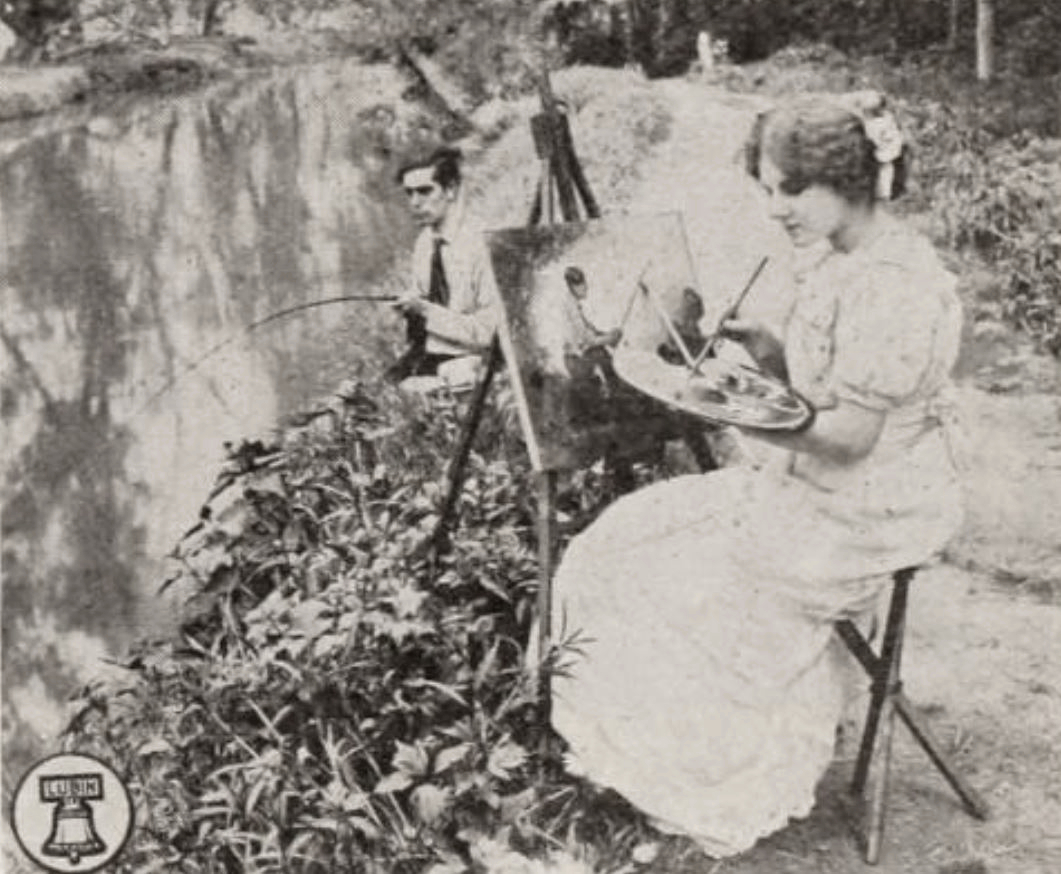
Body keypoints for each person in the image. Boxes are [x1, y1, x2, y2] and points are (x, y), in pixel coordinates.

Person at [550, 92, 965, 857]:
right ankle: (651, 752)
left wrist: (728, 406)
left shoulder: (892, 283)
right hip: (817, 483)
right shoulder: (846, 261)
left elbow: (843, 439)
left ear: (847, 180)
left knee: (671, 579)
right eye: (766, 190)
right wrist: (772, 354)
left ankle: (709, 772)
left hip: (864, 508)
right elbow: (826, 392)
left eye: (790, 189)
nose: (775, 209)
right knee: (614, 541)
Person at [388, 147, 498, 389]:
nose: (414, 203)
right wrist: (410, 310)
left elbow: (490, 333)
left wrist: (426, 312)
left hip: (476, 357)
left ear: (451, 190)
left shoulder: (481, 244)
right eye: (409, 193)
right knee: (379, 390)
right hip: (433, 353)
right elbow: (423, 311)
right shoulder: (424, 243)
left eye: (425, 191)